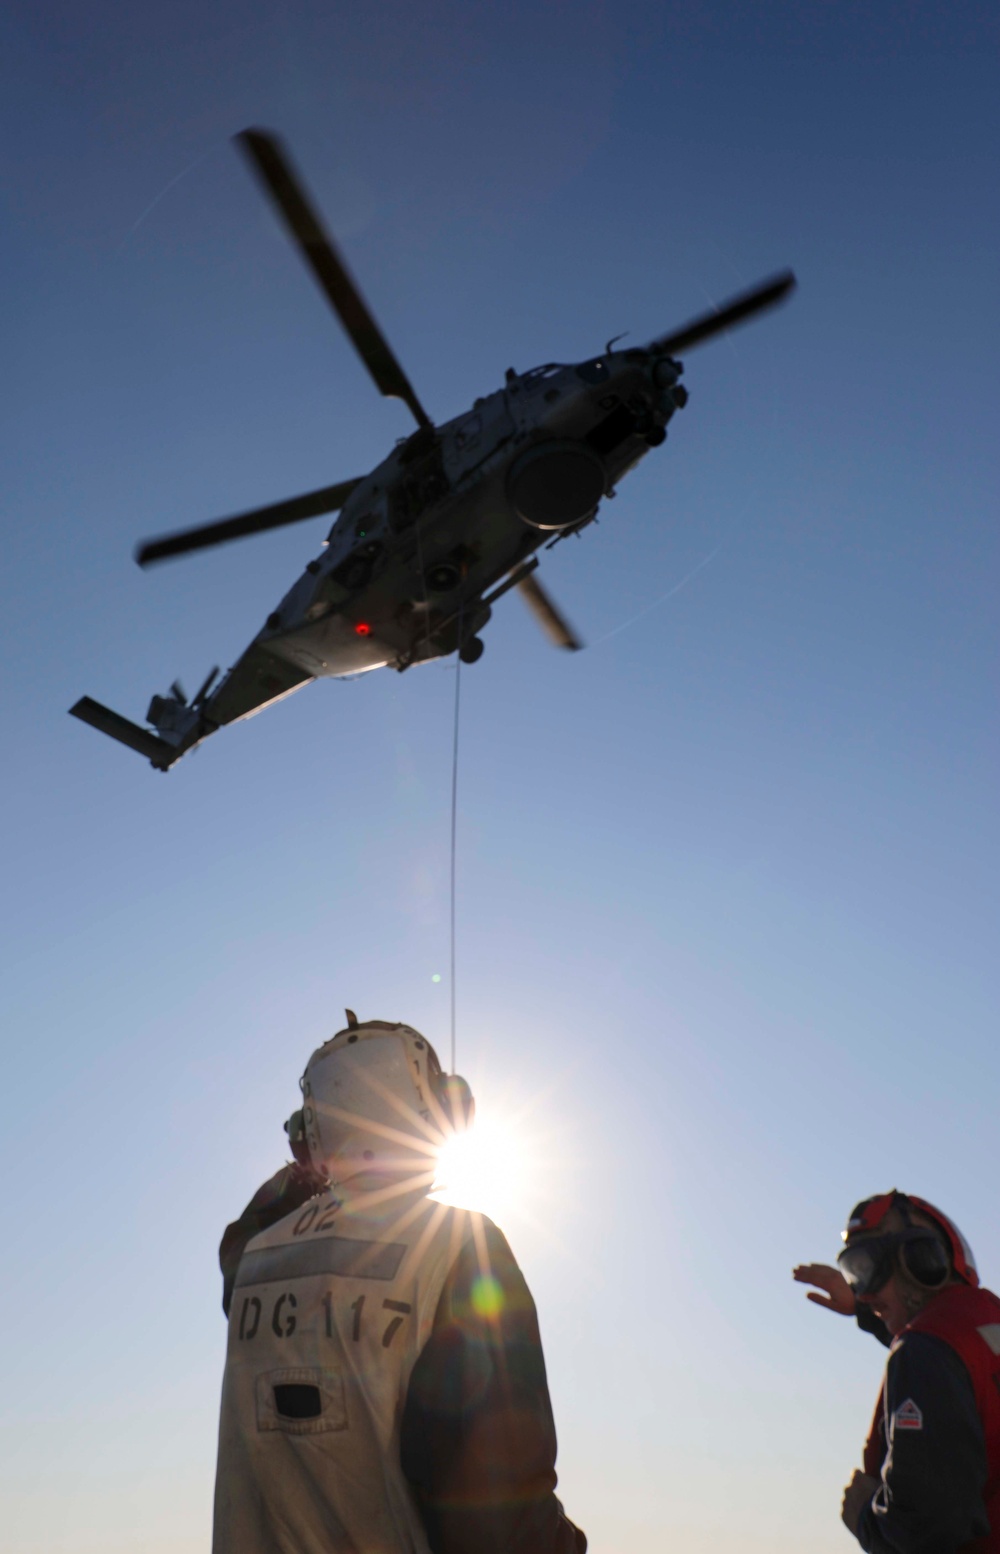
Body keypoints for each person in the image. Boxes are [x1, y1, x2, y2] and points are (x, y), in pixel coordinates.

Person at [213, 1012, 585, 1554]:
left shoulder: (254, 1259)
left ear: (310, 1135)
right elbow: (496, 1510)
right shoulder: (463, 1249)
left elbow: (246, 1233)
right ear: (434, 1112)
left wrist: (308, 1170)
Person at [793, 1191, 1000, 1553]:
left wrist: (864, 1518)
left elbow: (927, 1527)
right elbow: (951, 1360)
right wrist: (867, 1311)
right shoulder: (985, 1322)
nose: (865, 1294)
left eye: (868, 1268)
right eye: (855, 1275)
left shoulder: (923, 1350)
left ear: (921, 1259)